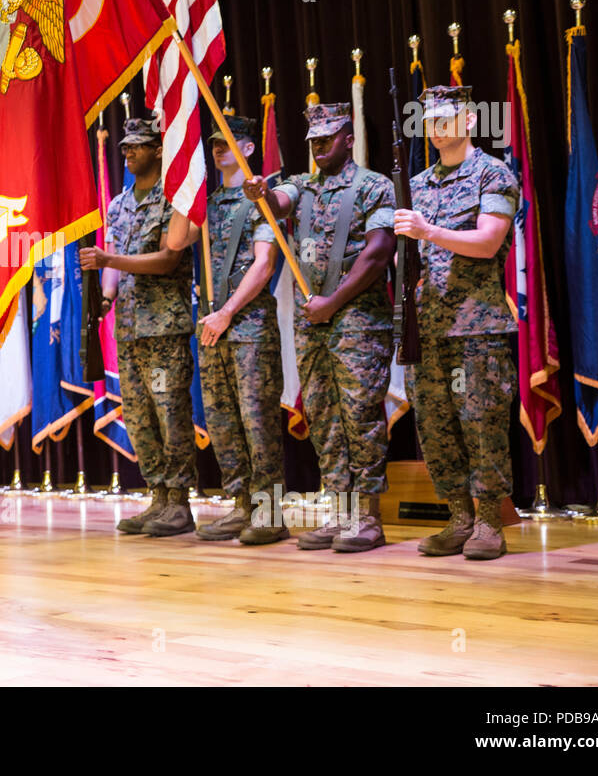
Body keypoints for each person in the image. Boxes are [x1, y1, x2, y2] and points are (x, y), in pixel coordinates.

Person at [244, 103, 395, 551]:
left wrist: (334, 302)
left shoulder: (375, 186)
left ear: (348, 138)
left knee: (360, 416)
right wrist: (259, 193)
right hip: (313, 324)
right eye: (313, 140)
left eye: (328, 138)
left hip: (358, 322)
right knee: (326, 418)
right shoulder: (303, 186)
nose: (319, 146)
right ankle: (339, 512)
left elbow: (378, 252)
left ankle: (368, 517)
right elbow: (278, 201)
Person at [393, 85, 518, 560]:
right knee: (437, 426)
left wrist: (428, 230)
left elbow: (487, 242)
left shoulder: (493, 173)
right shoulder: (417, 184)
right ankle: (459, 518)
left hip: (476, 326)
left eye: (447, 117)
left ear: (469, 121)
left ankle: (489, 523)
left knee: (481, 423)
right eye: (429, 119)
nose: (437, 126)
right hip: (426, 328)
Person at [80, 117, 196, 536]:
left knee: (170, 414)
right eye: (125, 147)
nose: (128, 153)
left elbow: (168, 259)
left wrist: (109, 262)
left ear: (159, 149)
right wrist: (105, 299)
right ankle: (158, 497)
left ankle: (180, 503)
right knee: (140, 417)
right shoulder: (118, 204)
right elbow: (112, 261)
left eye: (138, 146)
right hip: (128, 331)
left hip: (163, 331)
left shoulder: (174, 200)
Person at [191, 121, 288, 544]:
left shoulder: (261, 201)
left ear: (247, 146)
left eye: (225, 143)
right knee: (223, 420)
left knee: (256, 420)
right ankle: (242, 504)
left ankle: (270, 513)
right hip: (213, 326)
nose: (217, 151)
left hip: (247, 326)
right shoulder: (207, 205)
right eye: (212, 144)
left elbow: (264, 264)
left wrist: (227, 311)